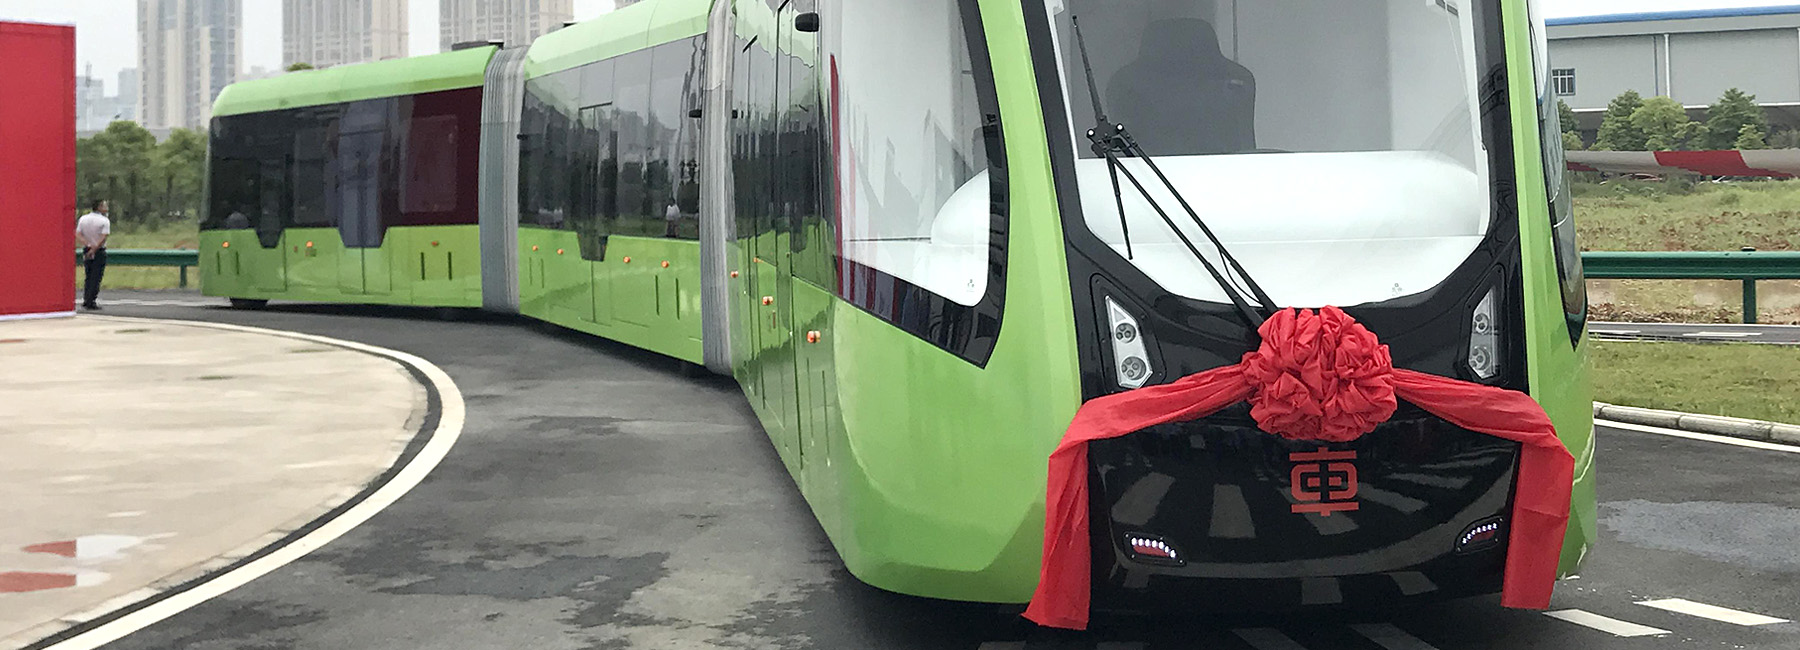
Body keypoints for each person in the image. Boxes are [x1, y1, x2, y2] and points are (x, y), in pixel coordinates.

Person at [76, 199, 112, 310]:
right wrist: (95, 248)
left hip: (87, 248)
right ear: (99, 207)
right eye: (104, 205)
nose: (106, 207)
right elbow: (103, 236)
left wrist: (88, 245)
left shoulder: (83, 219)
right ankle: (91, 300)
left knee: (88, 275)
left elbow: (78, 233)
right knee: (96, 276)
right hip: (99, 250)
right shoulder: (104, 221)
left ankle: (86, 299)